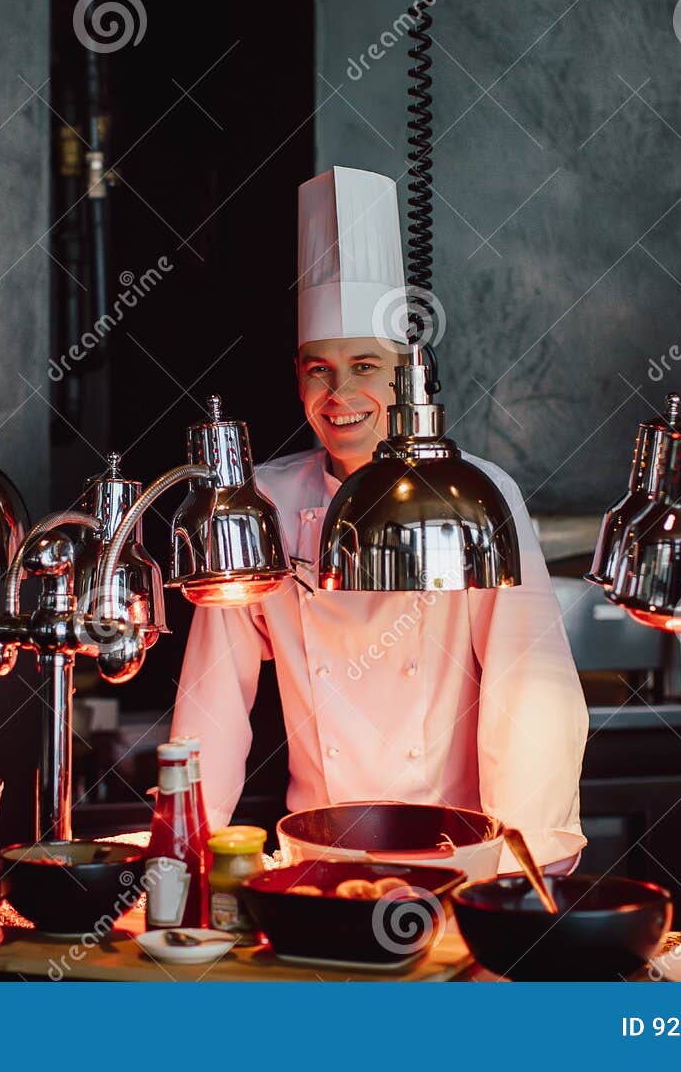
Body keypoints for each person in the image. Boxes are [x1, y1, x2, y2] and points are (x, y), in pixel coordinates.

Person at [170, 166, 588, 870]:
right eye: (319, 369)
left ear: (409, 377)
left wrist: (524, 866)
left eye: (365, 365)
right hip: (315, 855)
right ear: (297, 376)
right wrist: (181, 847)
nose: (339, 394)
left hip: (458, 855)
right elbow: (212, 698)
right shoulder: (260, 503)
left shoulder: (475, 497)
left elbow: (529, 685)